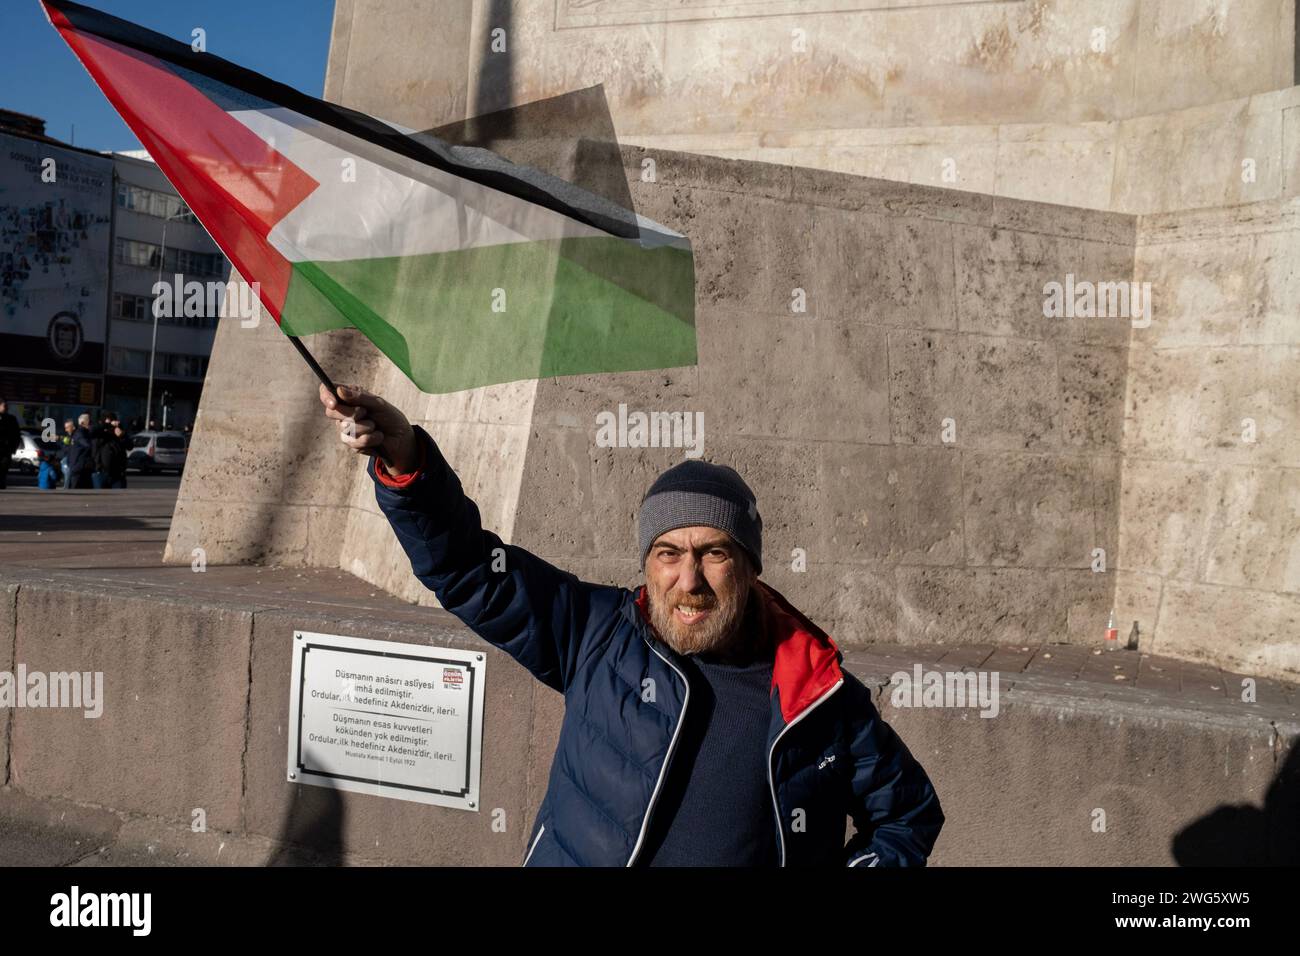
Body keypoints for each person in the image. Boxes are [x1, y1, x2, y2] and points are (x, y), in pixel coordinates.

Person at [319, 383, 944, 867]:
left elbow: (908, 816)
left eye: (714, 553)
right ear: (647, 565)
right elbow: (468, 569)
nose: (689, 580)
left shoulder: (821, 698)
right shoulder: (595, 632)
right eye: (668, 554)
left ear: (751, 567)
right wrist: (406, 462)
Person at [65, 413, 94, 489]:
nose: (91, 424)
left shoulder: (77, 433)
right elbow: (87, 445)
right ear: (83, 423)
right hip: (79, 468)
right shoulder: (80, 433)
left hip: (77, 467)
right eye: (89, 422)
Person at [96, 423, 128, 489]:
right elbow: (93, 431)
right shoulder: (102, 437)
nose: (113, 429)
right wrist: (107, 425)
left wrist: (122, 435)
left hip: (118, 474)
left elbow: (130, 445)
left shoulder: (120, 439)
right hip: (103, 473)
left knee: (119, 495)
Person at [0, 396, 20, 490]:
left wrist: (13, 448)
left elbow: (17, 435)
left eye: (7, 406)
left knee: (4, 469)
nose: (6, 408)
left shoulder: (11, 419)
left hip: (6, 450)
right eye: (4, 406)